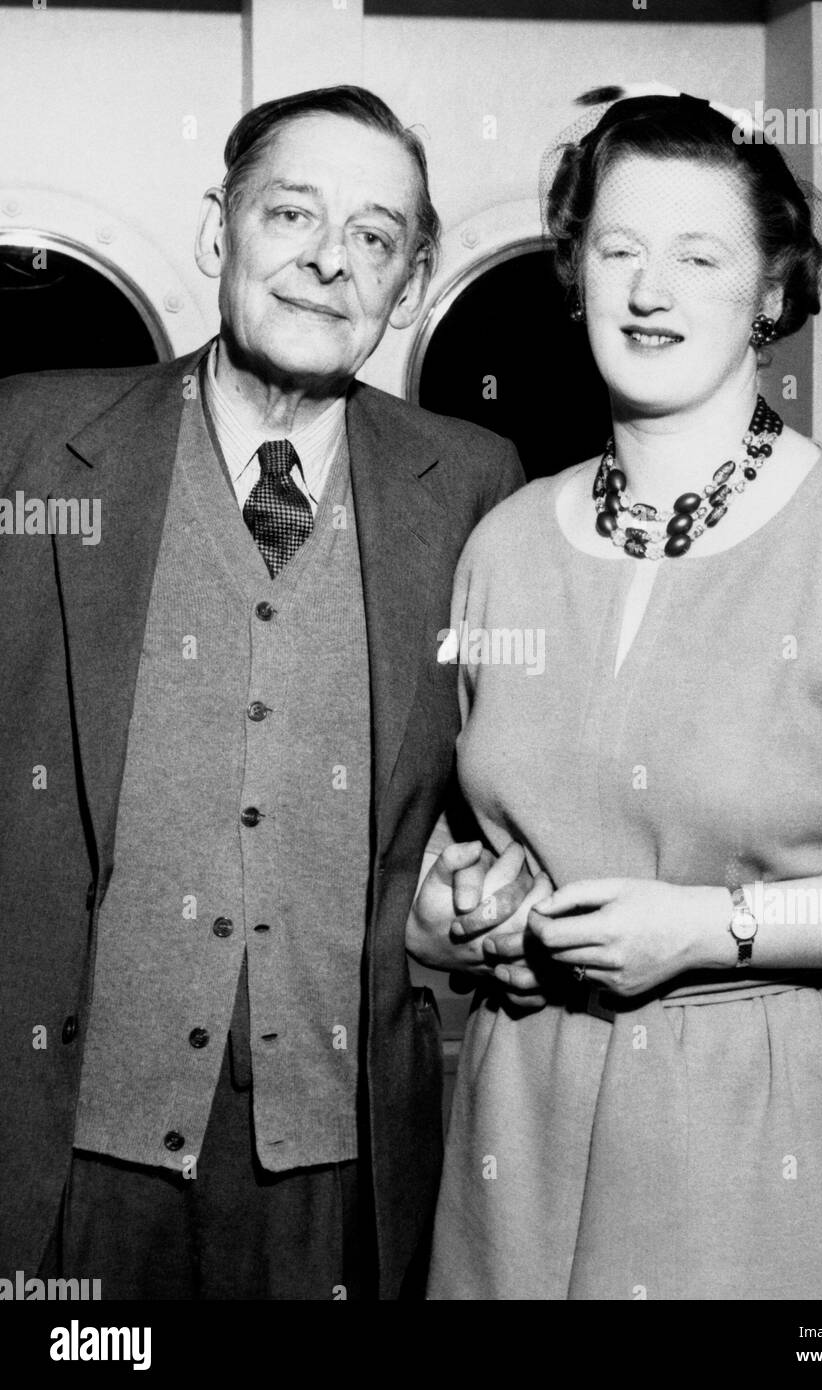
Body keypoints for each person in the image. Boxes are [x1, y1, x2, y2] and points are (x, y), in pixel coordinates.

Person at [413, 87, 822, 1300]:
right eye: (617, 250)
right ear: (576, 273)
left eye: (698, 254)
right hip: (517, 1112)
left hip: (753, 1127)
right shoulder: (504, 543)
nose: (648, 289)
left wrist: (710, 927)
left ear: (770, 292)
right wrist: (474, 907)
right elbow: (462, 833)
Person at [0, 84, 527, 1301]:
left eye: (377, 238)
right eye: (293, 213)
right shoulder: (29, 443)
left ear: (406, 283)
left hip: (337, 1169)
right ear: (216, 232)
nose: (330, 260)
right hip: (69, 1156)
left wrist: (476, 886)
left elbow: (499, 791)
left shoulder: (474, 485)